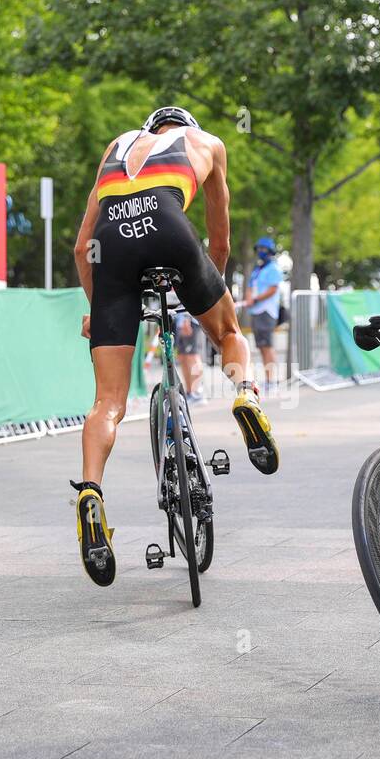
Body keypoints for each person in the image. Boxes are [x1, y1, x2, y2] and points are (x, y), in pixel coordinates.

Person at [70, 106, 280, 586]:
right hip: (170, 227)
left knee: (107, 402)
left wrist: (101, 309)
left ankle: (90, 492)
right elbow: (220, 239)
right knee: (230, 335)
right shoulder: (208, 143)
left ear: (147, 129)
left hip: (113, 242)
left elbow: (83, 249)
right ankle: (246, 396)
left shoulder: (116, 144)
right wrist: (211, 295)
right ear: (185, 127)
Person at [245, 236, 283, 389]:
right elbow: (249, 287)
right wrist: (249, 298)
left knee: (267, 346)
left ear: (270, 251)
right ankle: (268, 379)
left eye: (263, 249)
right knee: (261, 346)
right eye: (258, 249)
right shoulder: (257, 270)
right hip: (256, 311)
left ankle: (272, 380)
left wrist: (256, 298)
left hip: (266, 311)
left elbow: (273, 289)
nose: (260, 252)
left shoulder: (273, 268)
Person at [174, 309, 205, 403]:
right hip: (179, 322)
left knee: (192, 357)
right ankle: (189, 392)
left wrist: (186, 319)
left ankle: (197, 392)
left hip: (190, 321)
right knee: (183, 358)